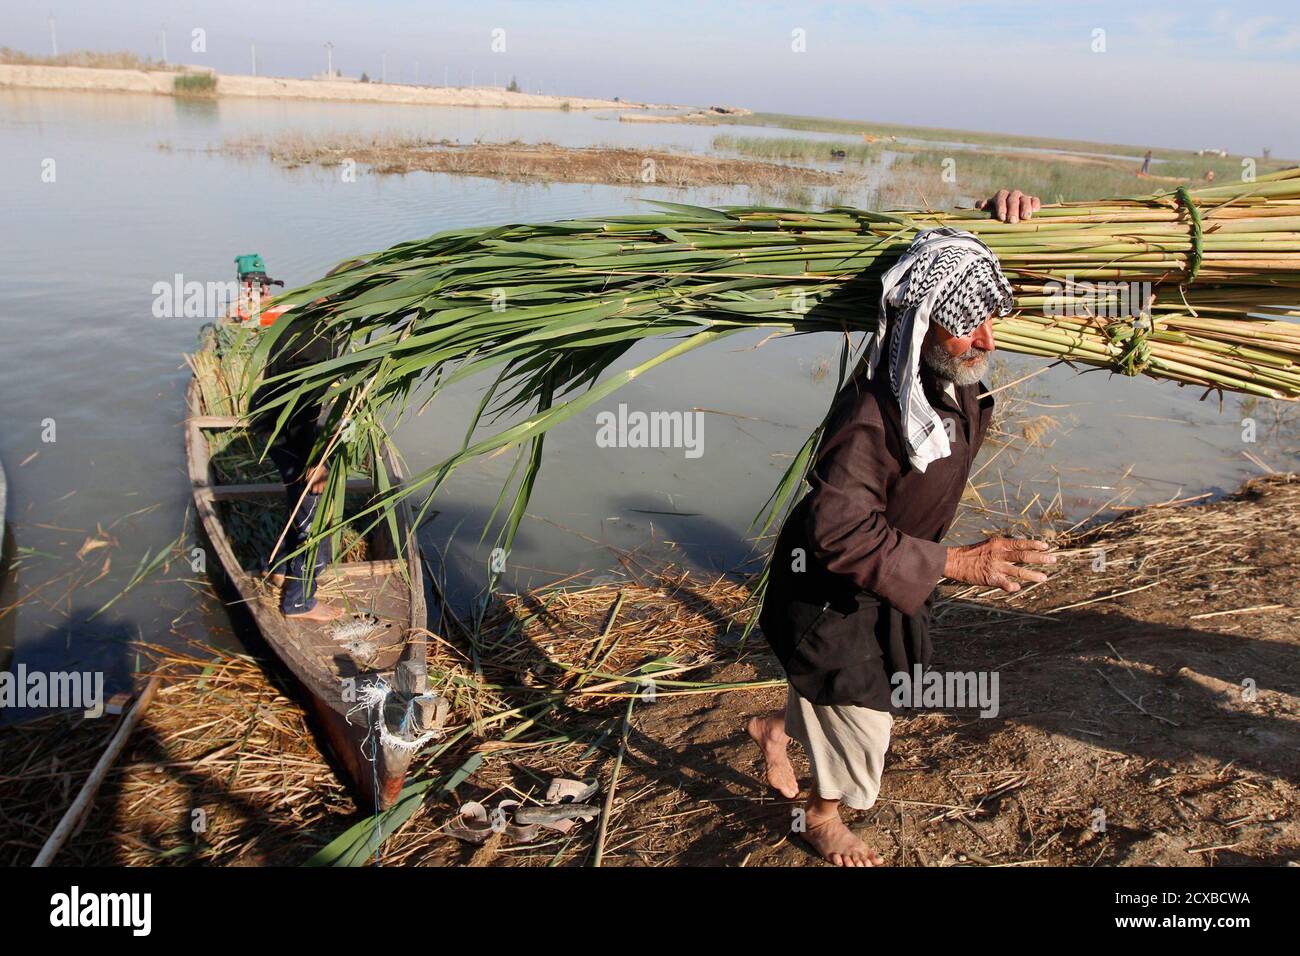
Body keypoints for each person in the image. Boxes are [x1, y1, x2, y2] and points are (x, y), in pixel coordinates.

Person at [748, 189, 1057, 866]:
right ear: (919, 325)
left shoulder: (953, 378)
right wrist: (961, 564)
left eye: (989, 321)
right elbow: (840, 531)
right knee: (864, 720)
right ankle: (821, 816)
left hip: (887, 579)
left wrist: (999, 211)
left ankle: (776, 729)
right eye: (964, 327)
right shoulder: (873, 414)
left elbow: (966, 261)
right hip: (831, 589)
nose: (986, 341)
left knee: (868, 688)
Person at [248, 311, 345, 622]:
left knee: (297, 500)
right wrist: (315, 460)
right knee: (310, 511)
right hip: (288, 428)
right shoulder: (319, 343)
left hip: (269, 417)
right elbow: (304, 408)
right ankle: (299, 602)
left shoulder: (297, 318)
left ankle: (276, 568)